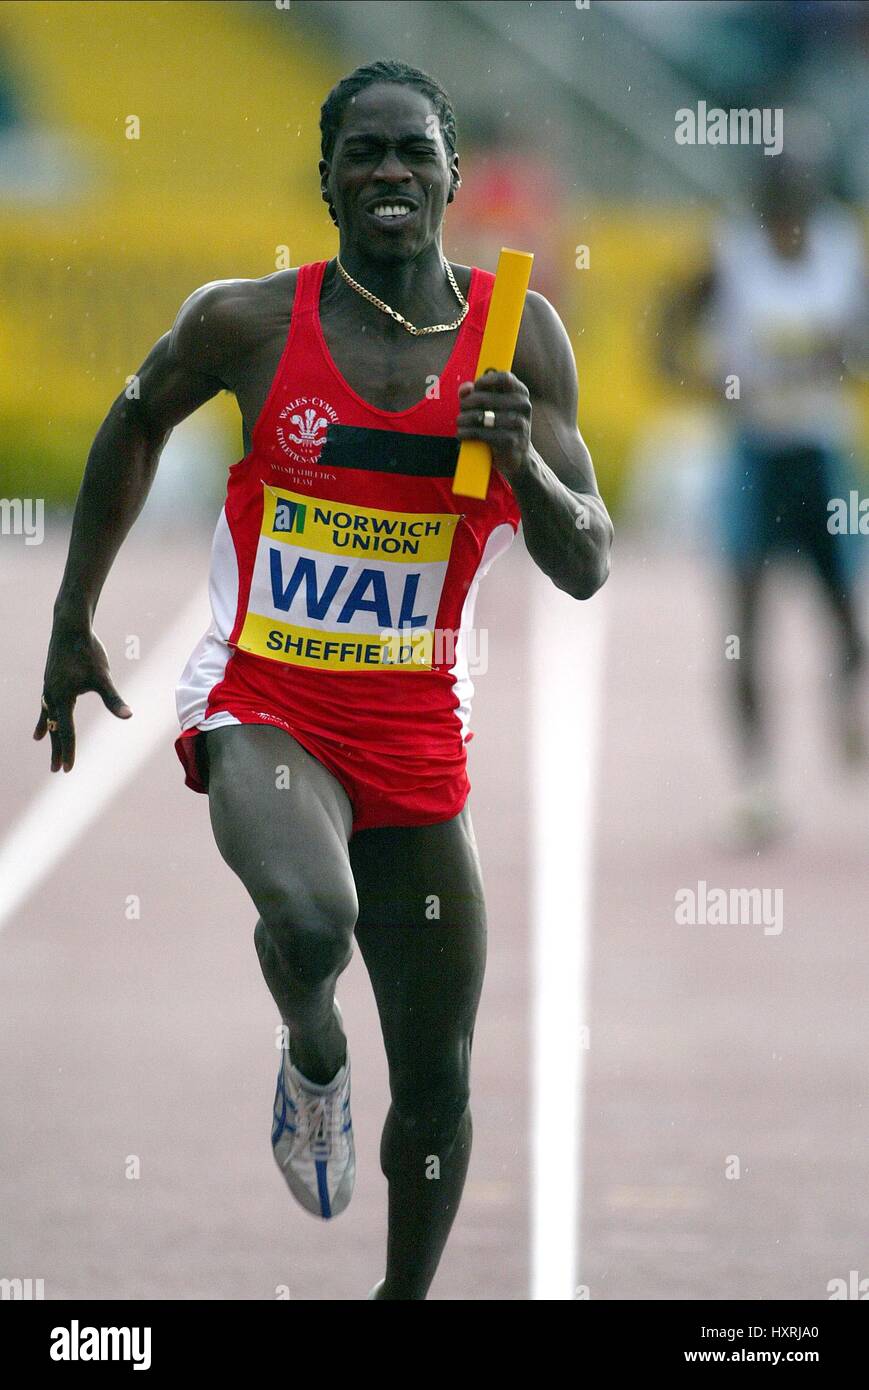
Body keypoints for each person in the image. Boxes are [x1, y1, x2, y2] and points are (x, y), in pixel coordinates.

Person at [35, 60, 612, 1300]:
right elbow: (136, 419)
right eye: (364, 154)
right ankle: (309, 1047)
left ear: (453, 171)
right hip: (268, 699)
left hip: (412, 728)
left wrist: (523, 465)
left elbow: (586, 562)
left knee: (442, 1085)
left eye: (414, 151)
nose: (391, 173)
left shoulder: (516, 340)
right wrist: (72, 620)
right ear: (328, 178)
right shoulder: (247, 322)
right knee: (310, 921)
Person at [661, 152, 867, 846]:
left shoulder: (842, 251)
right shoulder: (732, 255)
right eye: (776, 218)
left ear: (812, 211)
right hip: (753, 460)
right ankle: (755, 787)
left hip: (819, 454)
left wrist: (841, 358)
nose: (787, 232)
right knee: (745, 624)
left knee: (844, 619)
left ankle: (844, 706)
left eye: (796, 218)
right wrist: (692, 378)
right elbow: (672, 319)